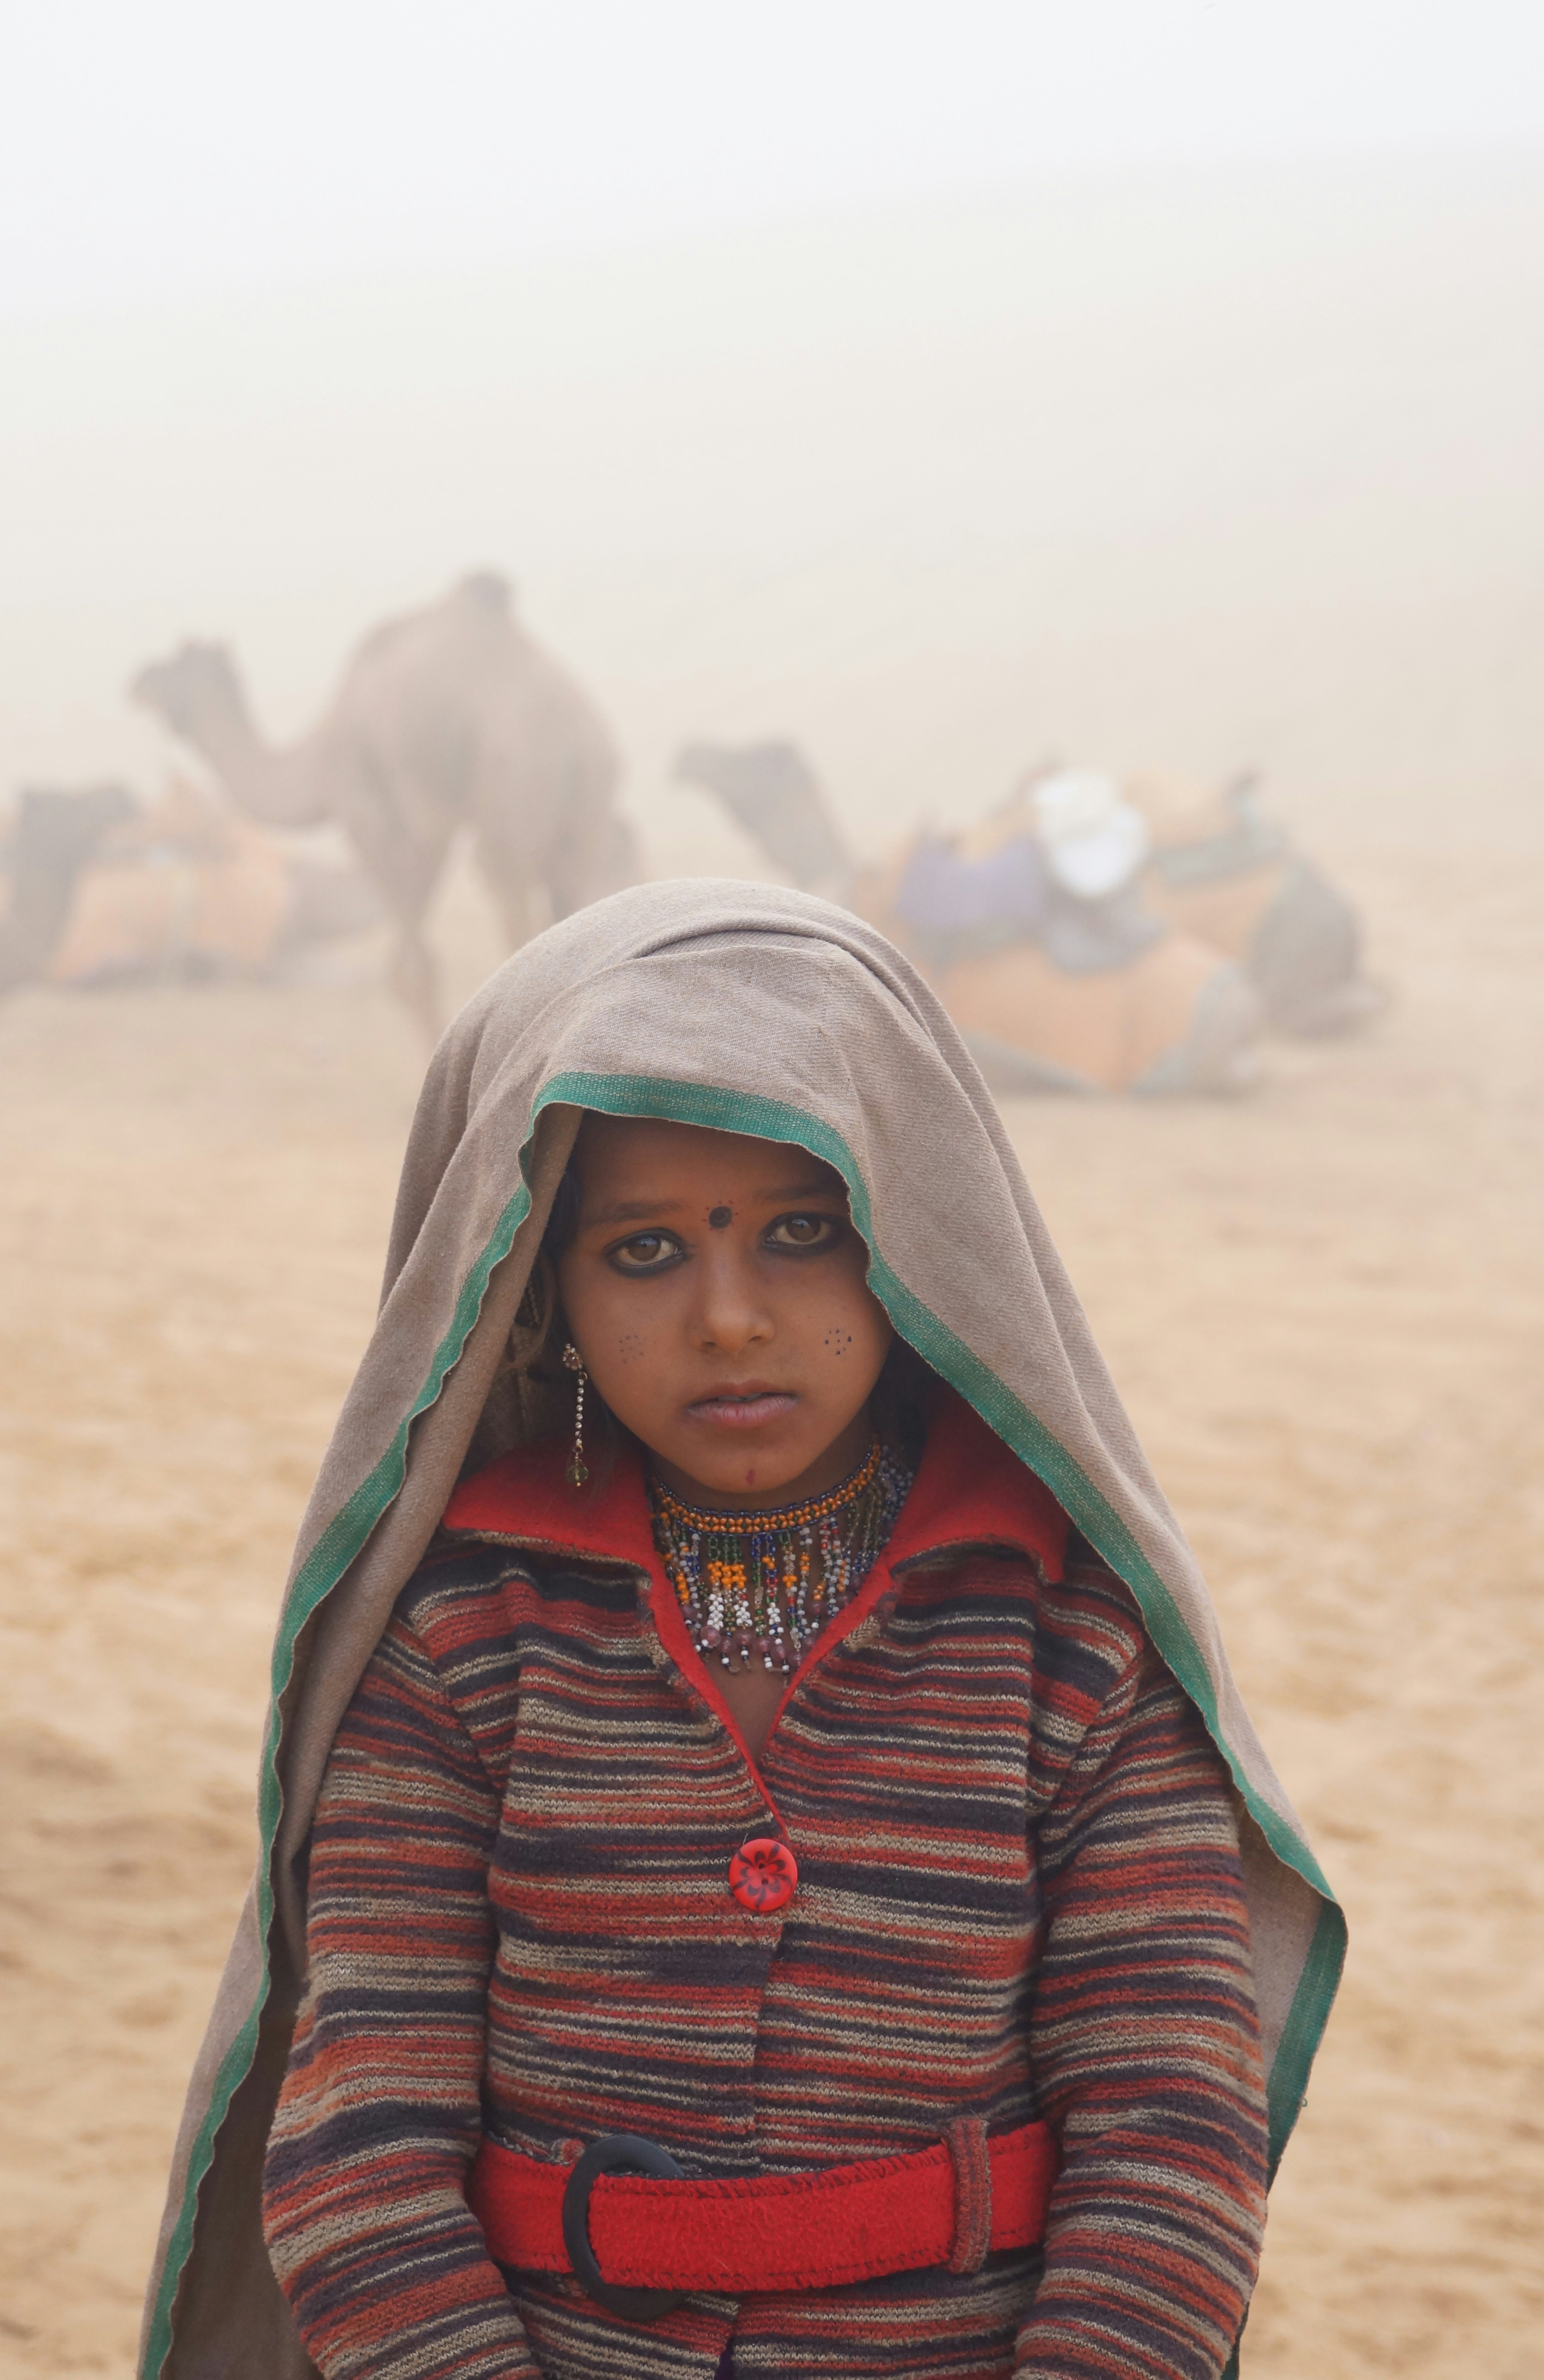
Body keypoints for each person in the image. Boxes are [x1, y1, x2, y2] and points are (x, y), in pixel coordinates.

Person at [140, 881, 1342, 2380]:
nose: (729, 1317)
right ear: (542, 1297)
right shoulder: (464, 1631)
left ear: (910, 1250)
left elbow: (1169, 2139)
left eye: (801, 1233)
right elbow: (362, 2149)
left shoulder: (1067, 1636)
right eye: (643, 1252)